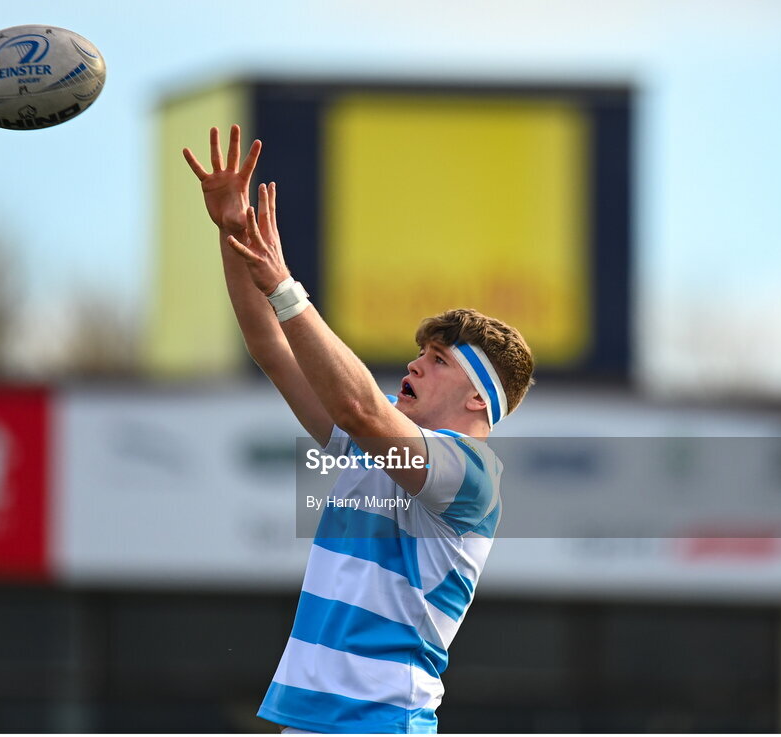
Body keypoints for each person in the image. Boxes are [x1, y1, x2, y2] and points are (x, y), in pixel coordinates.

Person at [184, 126, 534, 734]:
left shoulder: (471, 476)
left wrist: (283, 285)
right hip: (312, 722)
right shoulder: (370, 449)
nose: (415, 364)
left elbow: (360, 409)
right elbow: (269, 345)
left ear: (480, 397)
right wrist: (234, 232)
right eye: (420, 352)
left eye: (439, 359)